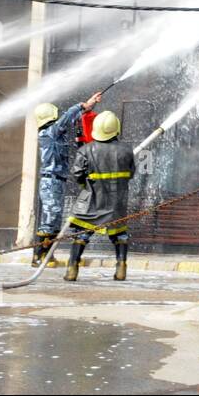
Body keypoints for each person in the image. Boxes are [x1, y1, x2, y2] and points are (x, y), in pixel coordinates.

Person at [32, 91, 103, 265]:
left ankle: (47, 254)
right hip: (51, 180)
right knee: (50, 216)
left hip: (57, 180)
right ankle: (38, 255)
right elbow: (66, 119)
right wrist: (82, 105)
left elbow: (70, 120)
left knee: (55, 217)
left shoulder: (54, 133)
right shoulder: (49, 133)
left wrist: (88, 107)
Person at [64, 109, 134, 282]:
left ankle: (72, 268)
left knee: (81, 233)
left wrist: (85, 186)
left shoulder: (86, 150)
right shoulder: (126, 150)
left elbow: (77, 174)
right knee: (120, 234)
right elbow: (131, 174)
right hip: (117, 202)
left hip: (93, 200)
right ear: (115, 128)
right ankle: (121, 267)